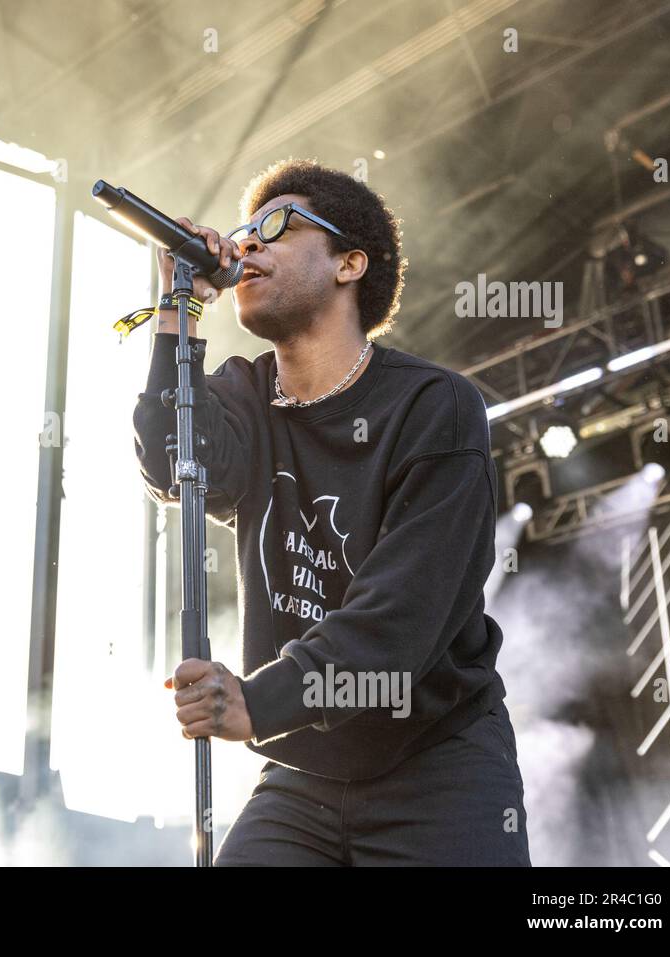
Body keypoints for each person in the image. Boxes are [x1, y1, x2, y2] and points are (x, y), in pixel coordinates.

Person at [134, 159, 531, 866]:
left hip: (438, 762)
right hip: (303, 773)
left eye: (276, 226)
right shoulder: (245, 399)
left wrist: (261, 699)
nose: (247, 244)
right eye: (242, 232)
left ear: (350, 263)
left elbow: (400, 619)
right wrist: (179, 306)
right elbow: (172, 461)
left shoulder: (434, 407)